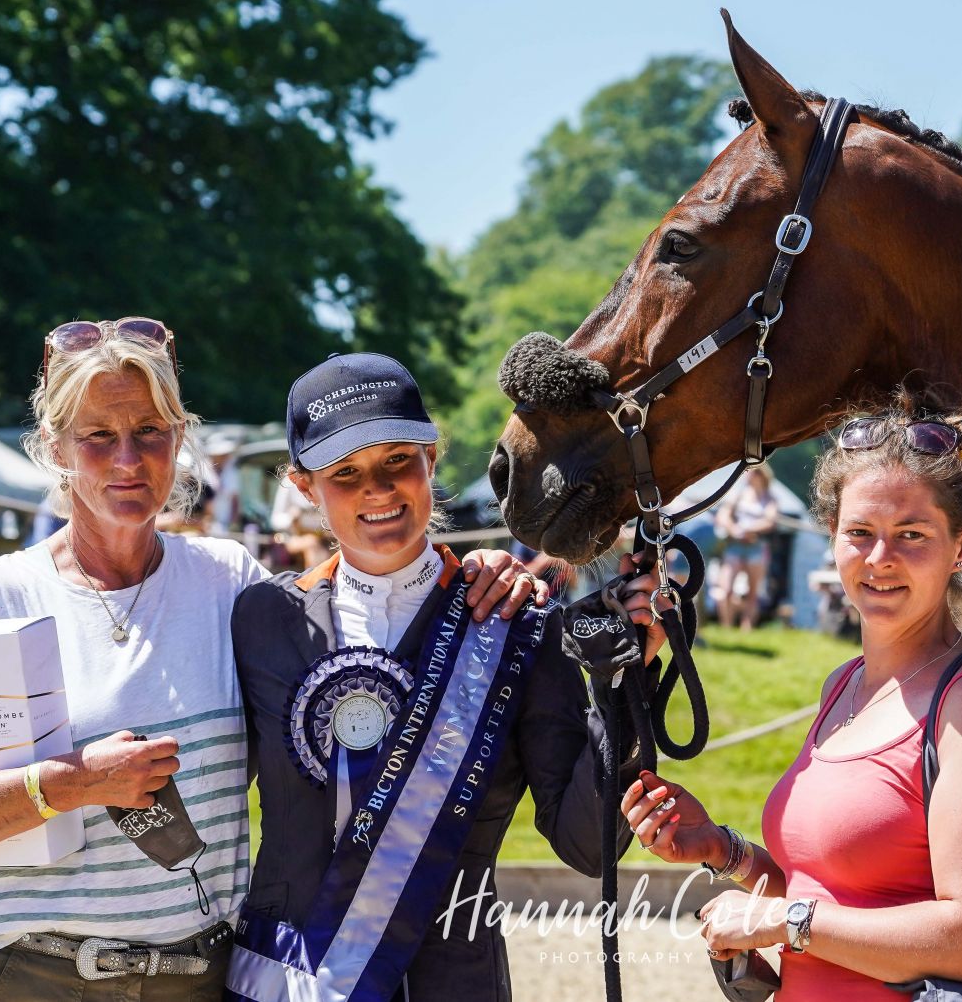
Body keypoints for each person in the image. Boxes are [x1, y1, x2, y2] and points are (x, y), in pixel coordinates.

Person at [0, 319, 538, 1002]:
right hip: (31, 974)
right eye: (98, 437)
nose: (129, 458)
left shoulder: (230, 582)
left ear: (180, 438)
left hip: (200, 978)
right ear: (54, 448)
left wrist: (467, 572)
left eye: (150, 430)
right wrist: (68, 783)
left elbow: (368, 598)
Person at [225, 352, 662, 1002]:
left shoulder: (519, 623)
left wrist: (625, 683)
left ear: (433, 457)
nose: (377, 487)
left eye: (398, 458)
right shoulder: (262, 617)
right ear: (302, 485)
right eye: (345, 472)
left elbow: (587, 847)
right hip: (283, 982)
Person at [623, 396, 962, 1000]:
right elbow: (828, 898)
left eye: (912, 535)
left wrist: (780, 923)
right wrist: (725, 849)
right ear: (833, 538)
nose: (880, 558)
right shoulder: (843, 685)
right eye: (860, 533)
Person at [713, 463, 780, 629]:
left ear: (763, 475)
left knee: (752, 592)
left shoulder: (770, 498)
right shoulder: (738, 494)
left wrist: (748, 529)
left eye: (754, 472)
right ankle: (726, 626)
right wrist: (735, 530)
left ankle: (746, 628)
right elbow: (723, 516)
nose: (751, 475)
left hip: (757, 546)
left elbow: (770, 521)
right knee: (726, 588)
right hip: (735, 545)